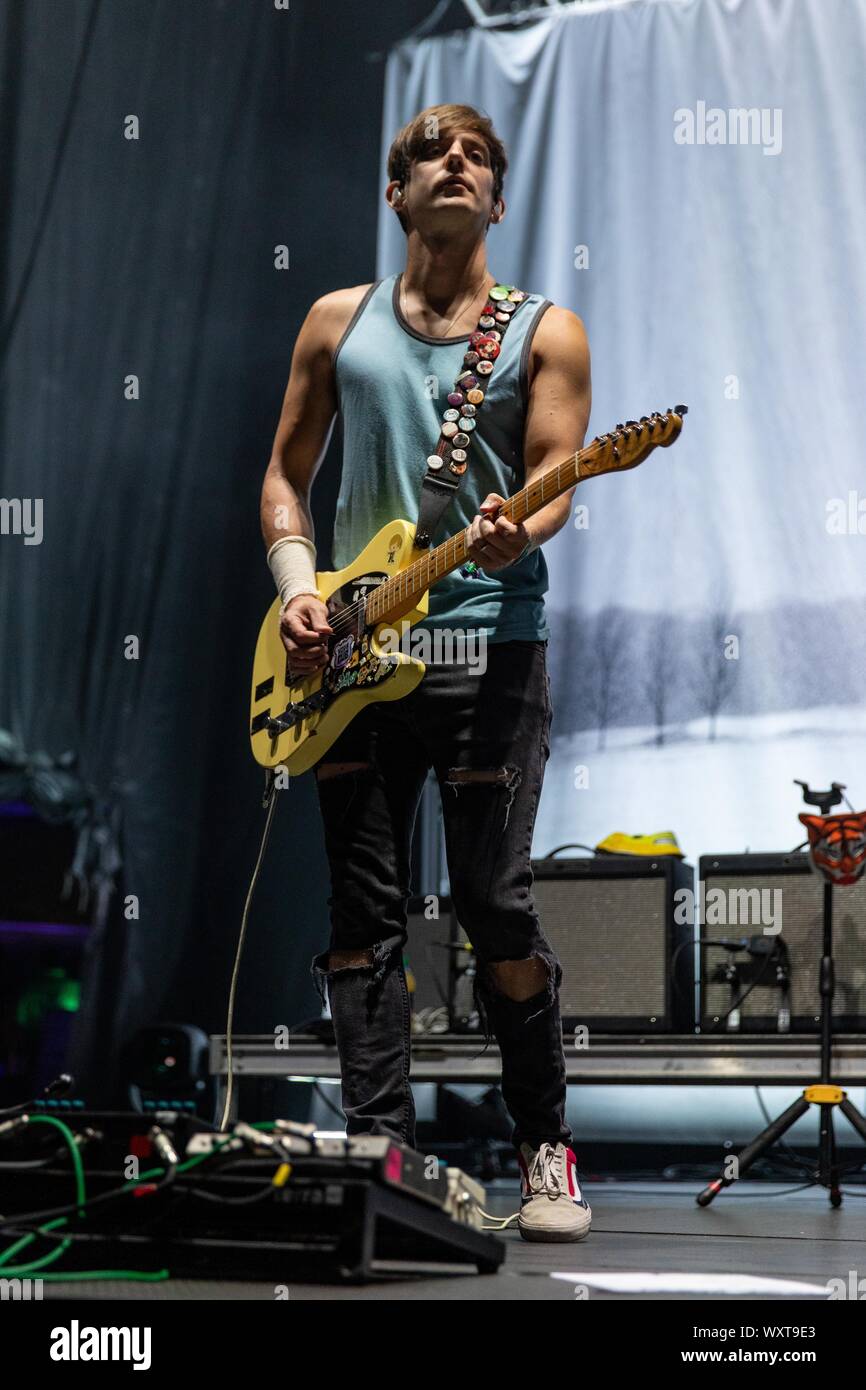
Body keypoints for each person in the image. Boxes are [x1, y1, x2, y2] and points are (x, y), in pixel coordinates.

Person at [260, 103, 592, 1240]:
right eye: (429, 154)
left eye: (477, 158)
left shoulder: (544, 332)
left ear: (496, 200)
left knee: (495, 906)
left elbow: (554, 480)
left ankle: (543, 1147)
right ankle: (380, 1157)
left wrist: (521, 533)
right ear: (394, 193)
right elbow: (282, 480)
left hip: (487, 644)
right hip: (350, 658)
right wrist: (299, 586)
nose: (455, 164)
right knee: (362, 917)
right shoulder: (333, 323)